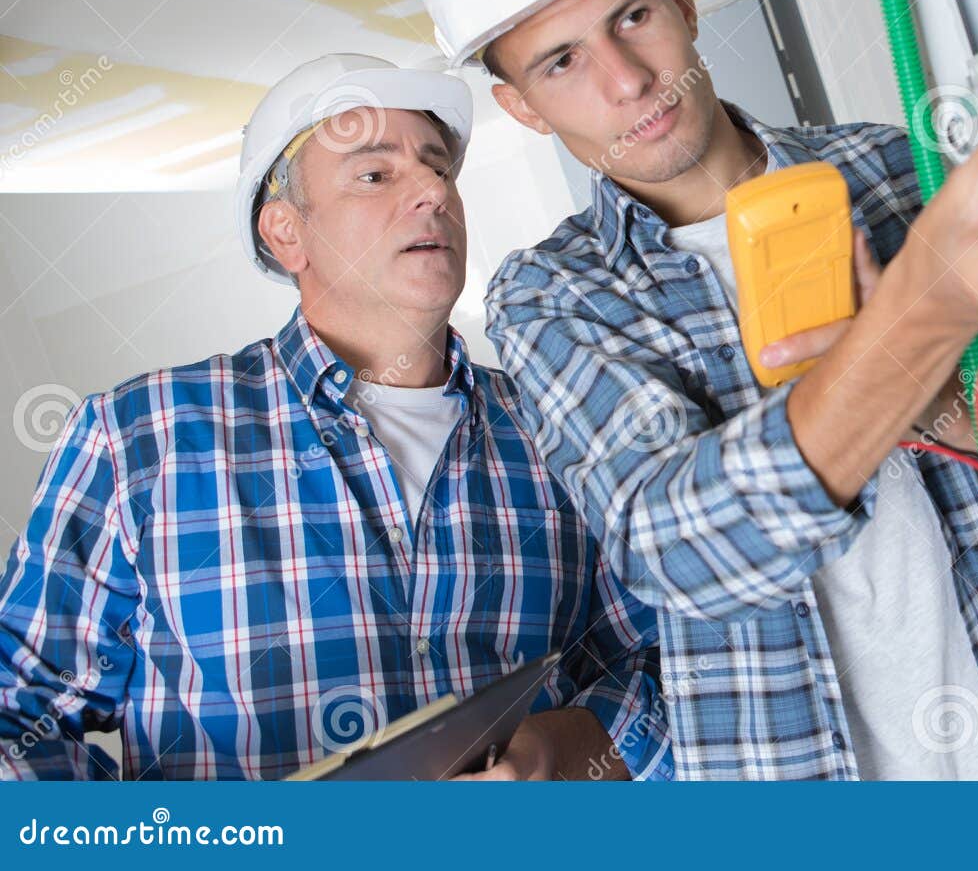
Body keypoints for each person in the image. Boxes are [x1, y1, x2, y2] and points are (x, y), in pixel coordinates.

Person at [411, 0, 978, 780]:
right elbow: (677, 550)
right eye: (561, 62)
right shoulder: (555, 295)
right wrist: (910, 331)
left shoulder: (897, 172)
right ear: (522, 107)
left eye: (633, 14)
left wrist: (926, 386)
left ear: (683, 2)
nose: (627, 80)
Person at [0, 54, 668, 781]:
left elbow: (667, 669)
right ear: (287, 233)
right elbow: (16, 711)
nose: (432, 193)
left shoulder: (560, 424)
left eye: (440, 168)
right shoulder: (142, 436)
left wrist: (556, 753)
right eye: (376, 174)